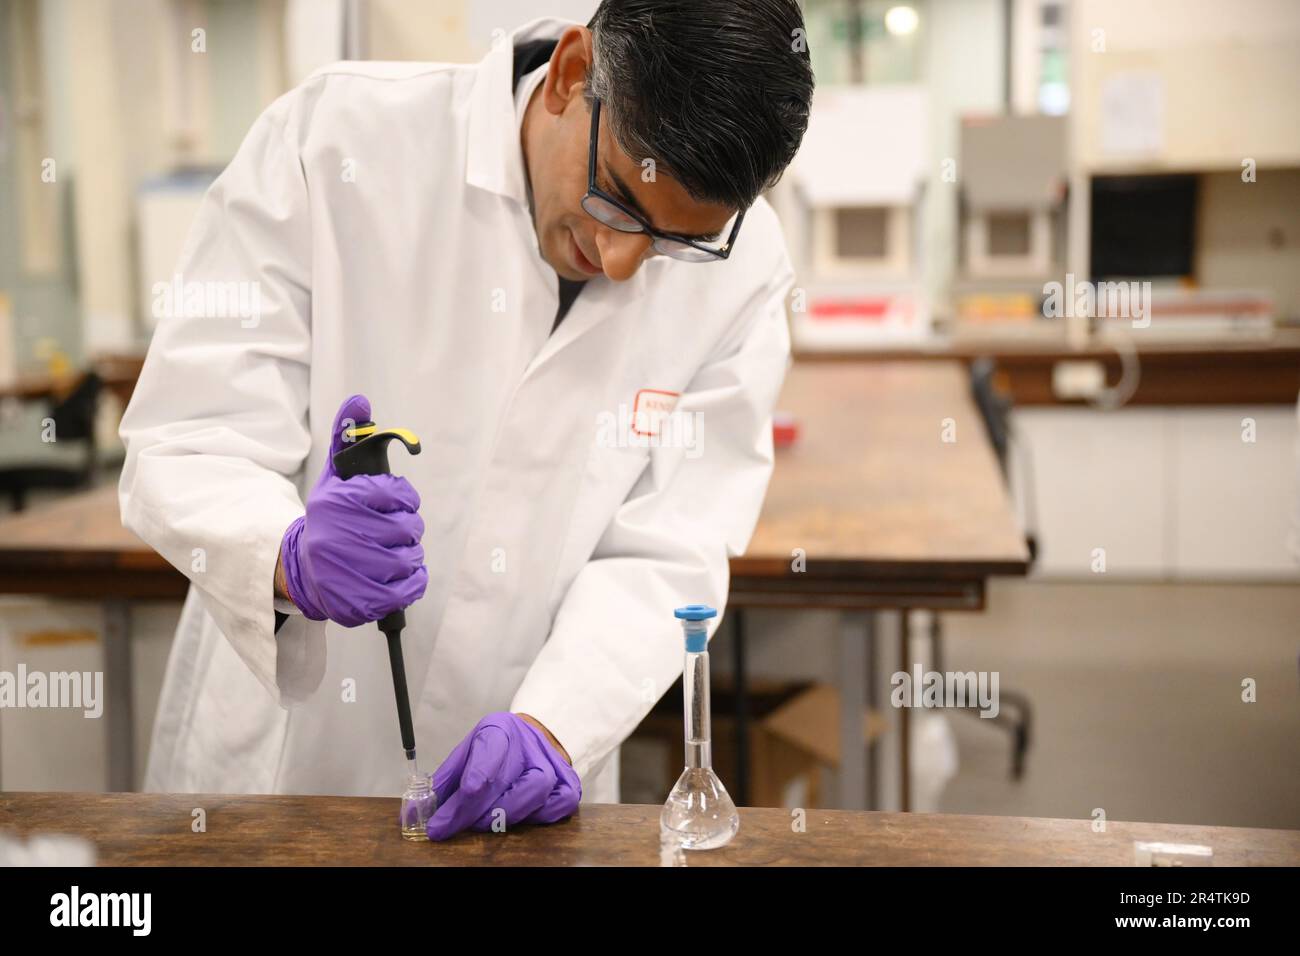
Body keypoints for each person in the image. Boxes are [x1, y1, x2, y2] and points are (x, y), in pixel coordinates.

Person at [119, 1, 813, 840]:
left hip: (521, 800)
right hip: (289, 768)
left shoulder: (748, 270)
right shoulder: (335, 140)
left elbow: (671, 546)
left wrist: (558, 726)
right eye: (619, 199)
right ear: (569, 74)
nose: (626, 262)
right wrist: (285, 555)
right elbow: (187, 439)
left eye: (673, 242)